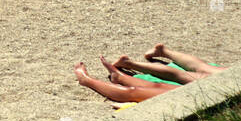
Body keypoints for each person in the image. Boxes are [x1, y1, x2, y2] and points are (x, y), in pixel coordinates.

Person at [74, 46, 225, 104]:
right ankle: (120, 75)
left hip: (210, 99)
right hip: (222, 90)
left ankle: (86, 80)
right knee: (164, 84)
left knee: (133, 92)